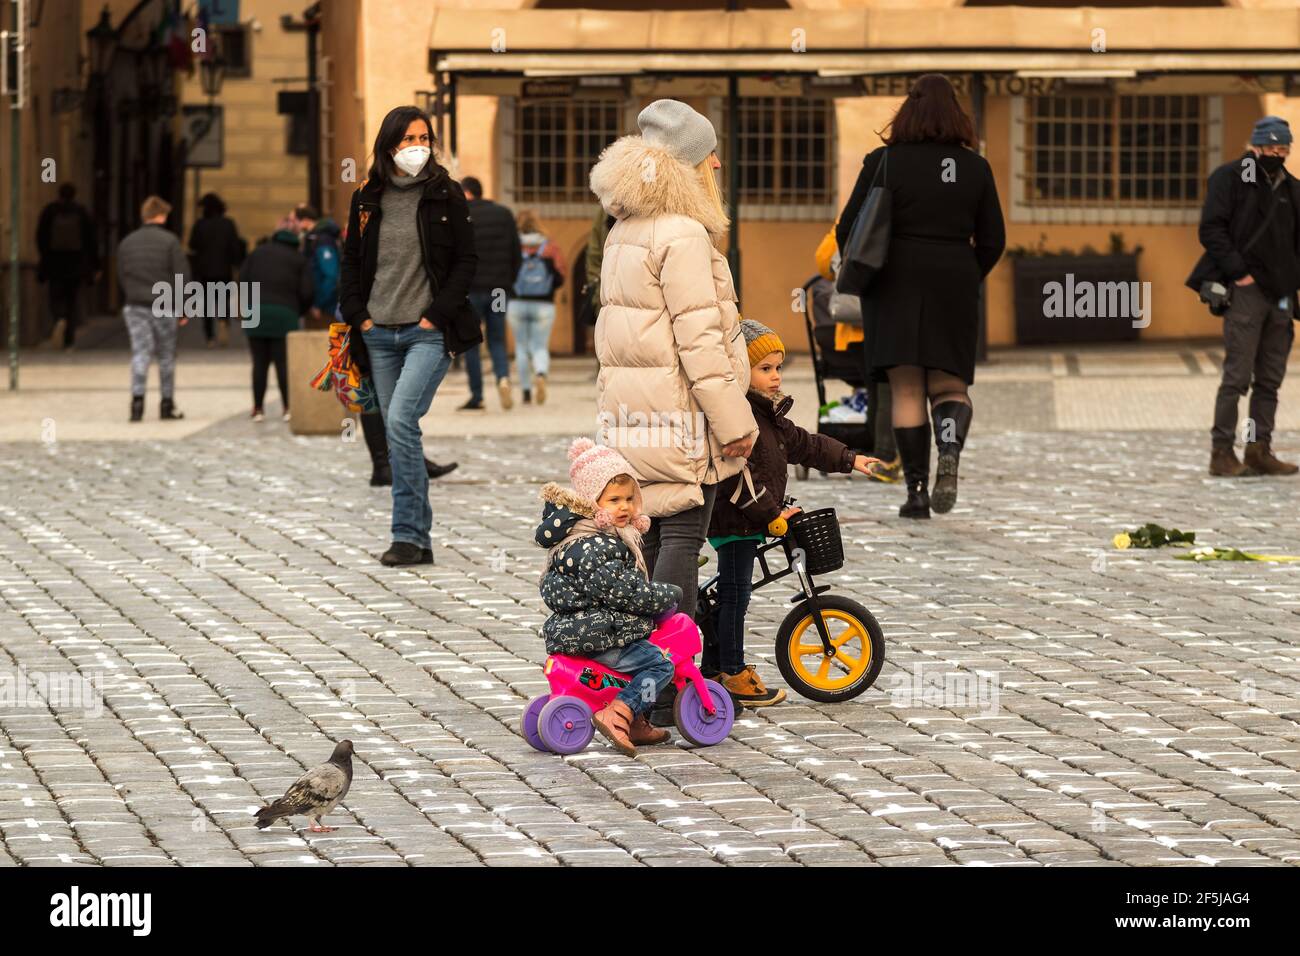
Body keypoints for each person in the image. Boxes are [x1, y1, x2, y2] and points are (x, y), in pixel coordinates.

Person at [590, 99, 758, 725]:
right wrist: (736, 424)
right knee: (681, 543)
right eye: (710, 153)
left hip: (634, 418)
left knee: (652, 543)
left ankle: (636, 680)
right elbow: (701, 344)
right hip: (684, 421)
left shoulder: (624, 229)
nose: (718, 162)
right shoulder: (684, 235)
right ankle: (663, 692)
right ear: (688, 164)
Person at [837, 73, 1005, 520]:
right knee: (950, 384)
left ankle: (916, 492)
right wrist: (968, 273)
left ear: (907, 112)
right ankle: (948, 454)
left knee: (908, 387)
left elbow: (847, 227)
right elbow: (994, 239)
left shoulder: (883, 162)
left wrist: (867, 274)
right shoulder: (974, 167)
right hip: (954, 278)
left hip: (894, 281)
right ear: (957, 115)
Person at [706, 320, 880, 706]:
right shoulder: (739, 416)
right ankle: (731, 672)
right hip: (734, 520)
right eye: (764, 368)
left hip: (751, 521)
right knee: (735, 594)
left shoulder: (769, 416)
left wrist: (850, 458)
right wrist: (771, 515)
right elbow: (738, 476)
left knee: (730, 594)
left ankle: (713, 666)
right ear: (740, 370)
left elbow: (807, 445)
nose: (774, 376)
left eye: (778, 368)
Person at [338, 105, 481, 566]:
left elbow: (465, 261)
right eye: (408, 139)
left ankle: (406, 533)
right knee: (401, 433)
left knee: (399, 421)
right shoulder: (366, 198)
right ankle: (416, 541)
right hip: (378, 333)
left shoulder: (446, 194)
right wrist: (359, 316)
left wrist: (436, 316)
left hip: (427, 334)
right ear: (389, 145)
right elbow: (351, 262)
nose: (417, 146)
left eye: (424, 137)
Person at [536, 437, 683, 756]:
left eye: (630, 498)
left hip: (584, 631)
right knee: (659, 665)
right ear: (592, 502)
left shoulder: (575, 539)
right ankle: (620, 712)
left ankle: (635, 721)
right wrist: (665, 594)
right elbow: (625, 593)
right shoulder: (600, 546)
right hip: (604, 636)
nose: (625, 507)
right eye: (614, 499)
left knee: (642, 655)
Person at [1187, 115, 1300, 477]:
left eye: (1283, 149)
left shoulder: (1292, 189)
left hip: (1281, 295)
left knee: (1269, 380)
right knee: (1236, 377)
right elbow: (1212, 229)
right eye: (1270, 148)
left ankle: (1257, 448)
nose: (1276, 154)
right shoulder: (1231, 178)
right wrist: (1241, 274)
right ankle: (1222, 452)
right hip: (1246, 292)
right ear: (1254, 146)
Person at [814, 221, 900, 481]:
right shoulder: (895, 220)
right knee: (886, 389)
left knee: (875, 388)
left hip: (854, 328)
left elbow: (823, 262)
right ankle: (885, 456)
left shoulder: (849, 221)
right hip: (888, 321)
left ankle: (879, 453)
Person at [116, 195, 189, 422]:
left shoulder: (127, 242)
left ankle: (136, 404)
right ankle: (166, 405)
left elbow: (121, 273)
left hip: (135, 304)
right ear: (162, 215)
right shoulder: (170, 242)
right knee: (166, 356)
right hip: (164, 306)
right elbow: (181, 275)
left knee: (140, 354)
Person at [458, 176, 520, 411]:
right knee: (497, 339)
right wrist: (507, 282)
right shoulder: (504, 214)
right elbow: (516, 253)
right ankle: (502, 378)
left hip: (470, 291)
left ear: (466, 193)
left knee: (471, 343)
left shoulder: (461, 216)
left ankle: (477, 395)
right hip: (498, 290)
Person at [238, 225, 312, 421]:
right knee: (282, 363)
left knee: (259, 363)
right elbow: (307, 291)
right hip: (285, 314)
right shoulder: (299, 259)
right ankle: (287, 408)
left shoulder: (257, 253)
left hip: (256, 313)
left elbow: (242, 280)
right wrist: (298, 311)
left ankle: (258, 409)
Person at [507, 209, 566, 405]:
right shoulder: (549, 246)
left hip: (516, 302)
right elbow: (561, 275)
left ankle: (525, 392)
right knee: (540, 346)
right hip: (543, 304)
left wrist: (499, 302)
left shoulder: (512, 245)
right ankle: (541, 374)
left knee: (521, 348)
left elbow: (504, 274)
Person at [36, 183, 98, 350]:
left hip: (54, 264)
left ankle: (59, 319)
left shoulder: (50, 211)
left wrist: (45, 258)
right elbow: (91, 240)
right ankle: (68, 340)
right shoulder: (81, 212)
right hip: (76, 265)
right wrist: (94, 265)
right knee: (72, 301)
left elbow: (41, 237)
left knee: (55, 296)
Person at [187, 192, 245, 347]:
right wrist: (236, 264)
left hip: (204, 271)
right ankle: (223, 322)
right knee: (223, 299)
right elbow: (235, 247)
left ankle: (209, 337)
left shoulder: (200, 224)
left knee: (206, 303)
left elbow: (192, 245)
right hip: (223, 269)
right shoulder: (228, 224)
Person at [295, 203, 342, 329]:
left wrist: (318, 304)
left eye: (295, 221)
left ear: (304, 221)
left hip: (325, 309)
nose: (294, 225)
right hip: (318, 306)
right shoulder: (312, 239)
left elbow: (331, 275)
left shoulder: (322, 240)